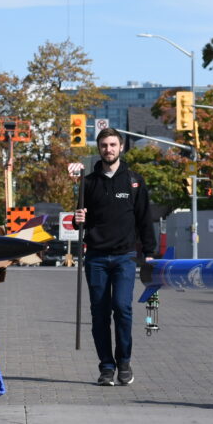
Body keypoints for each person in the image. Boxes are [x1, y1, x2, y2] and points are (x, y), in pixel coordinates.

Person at [69, 127, 156, 386]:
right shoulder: (89, 182)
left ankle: (125, 362)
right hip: (95, 257)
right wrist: (77, 220)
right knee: (99, 314)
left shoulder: (134, 180)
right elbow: (78, 220)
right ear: (99, 149)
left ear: (121, 148)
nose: (108, 149)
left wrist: (149, 254)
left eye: (113, 144)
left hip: (125, 257)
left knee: (123, 308)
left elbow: (144, 219)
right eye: (104, 145)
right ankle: (106, 367)